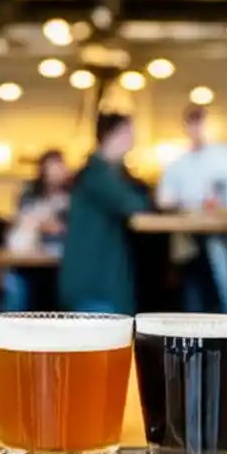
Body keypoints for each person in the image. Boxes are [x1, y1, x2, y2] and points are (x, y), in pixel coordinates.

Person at [58, 113, 150, 314]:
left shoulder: (103, 173)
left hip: (94, 281)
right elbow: (134, 203)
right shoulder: (97, 175)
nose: (132, 141)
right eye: (127, 133)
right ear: (109, 135)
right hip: (96, 282)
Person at [156, 105, 227, 312]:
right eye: (192, 124)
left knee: (220, 261)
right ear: (186, 127)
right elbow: (163, 200)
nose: (197, 129)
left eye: (201, 123)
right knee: (194, 273)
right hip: (192, 238)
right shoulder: (178, 164)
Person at [2, 149, 70, 311]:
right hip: (28, 258)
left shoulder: (73, 195)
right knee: (15, 282)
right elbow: (23, 222)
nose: (55, 173)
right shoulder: (30, 194)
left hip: (61, 262)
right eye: (51, 168)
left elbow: (66, 228)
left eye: (59, 168)